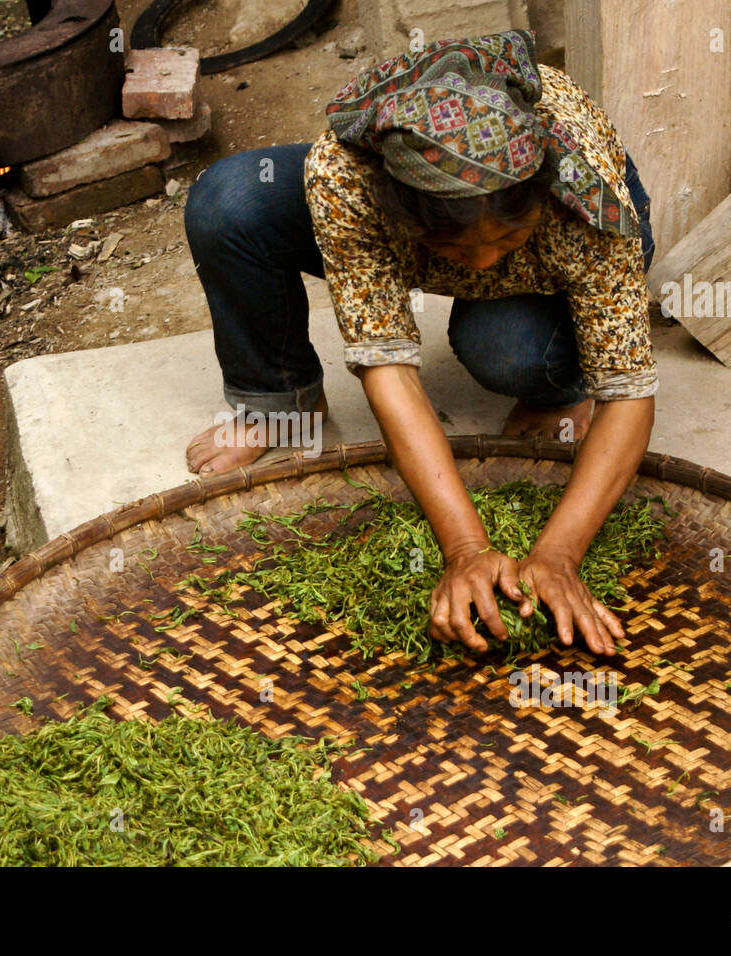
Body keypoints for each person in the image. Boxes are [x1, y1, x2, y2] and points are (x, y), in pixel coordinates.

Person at [182, 31, 657, 659]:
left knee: (504, 347)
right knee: (230, 201)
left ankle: (556, 387)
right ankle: (281, 401)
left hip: (551, 266)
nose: (484, 262)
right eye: (461, 251)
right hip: (443, 222)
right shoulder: (348, 176)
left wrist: (557, 554)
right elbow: (388, 365)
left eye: (503, 242)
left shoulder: (584, 199)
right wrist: (465, 550)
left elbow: (628, 393)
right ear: (393, 208)